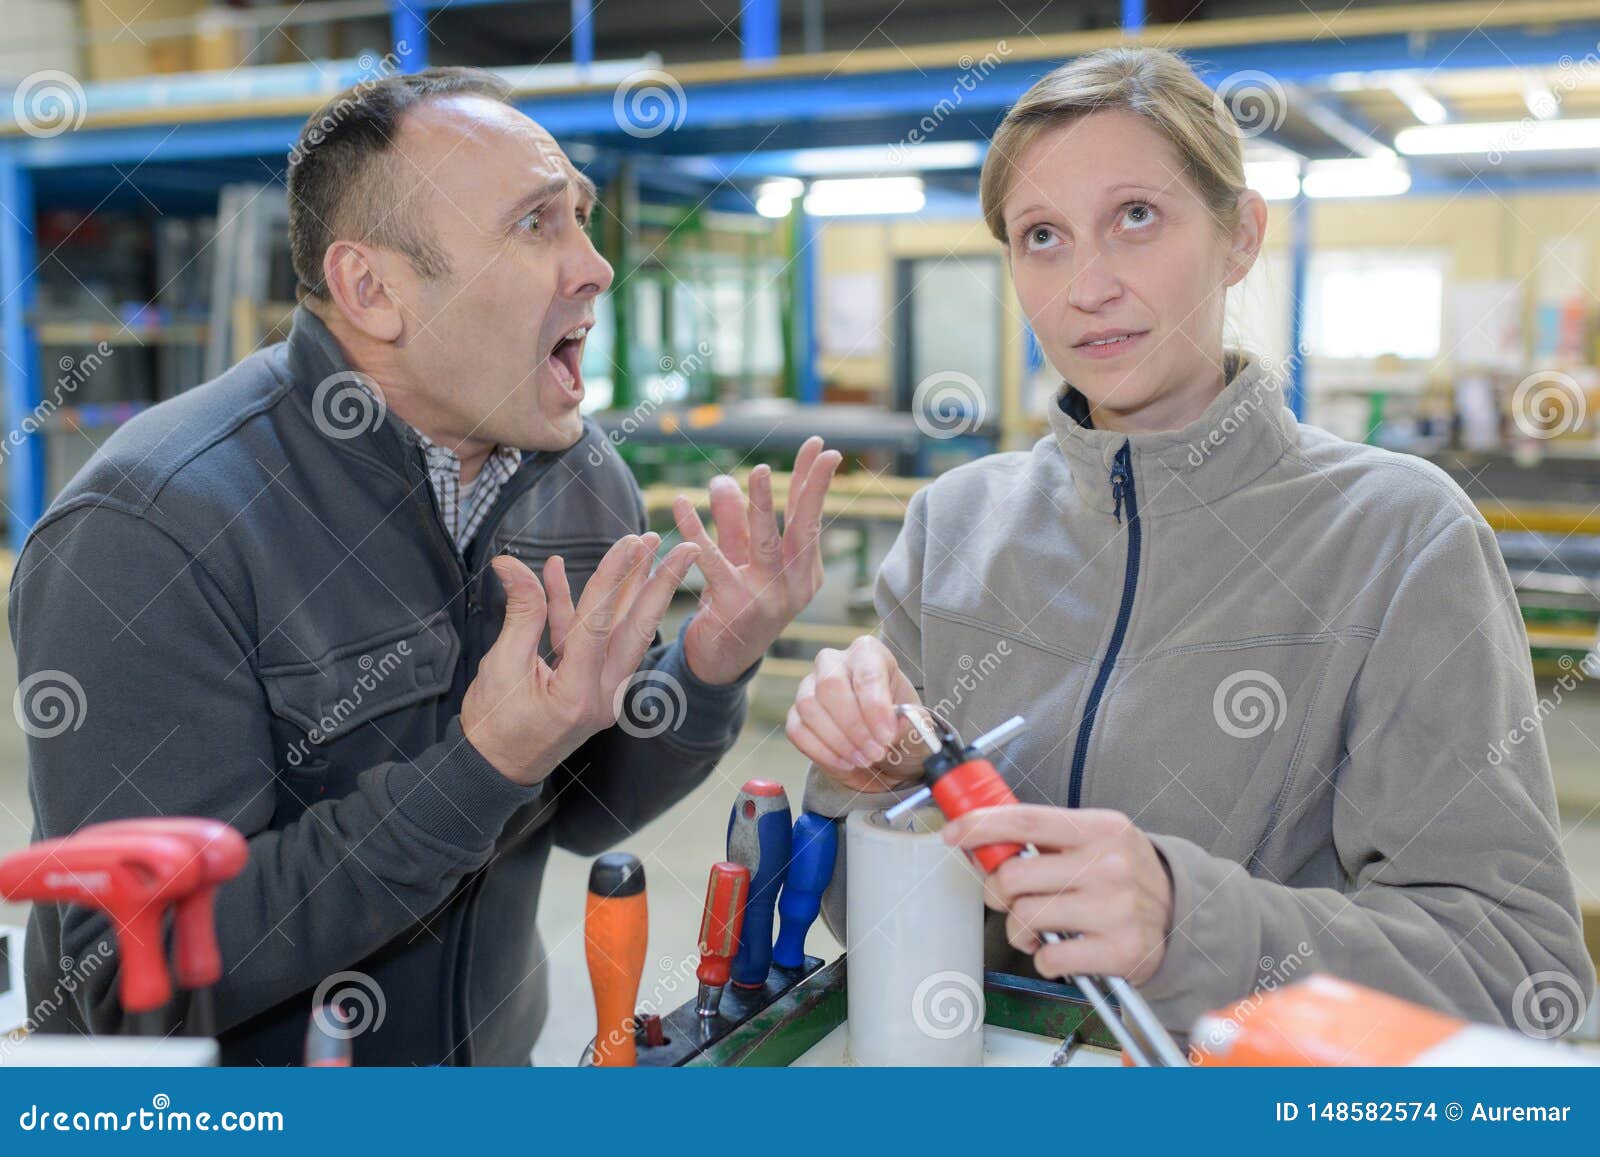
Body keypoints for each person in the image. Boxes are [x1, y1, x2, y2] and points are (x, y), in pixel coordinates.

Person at [11, 66, 840, 1065]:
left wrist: (708, 666)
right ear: (374, 289)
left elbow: (586, 810)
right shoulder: (152, 530)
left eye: (580, 216)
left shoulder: (580, 485)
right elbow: (121, 990)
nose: (596, 266)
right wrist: (478, 765)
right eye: (536, 225)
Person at [789, 45, 1594, 1039]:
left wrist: (1191, 923)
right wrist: (866, 795)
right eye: (1041, 234)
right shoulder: (953, 524)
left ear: (1239, 234)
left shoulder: (1398, 536)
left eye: (1135, 217)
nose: (1086, 285)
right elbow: (870, 930)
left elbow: (1518, 975)